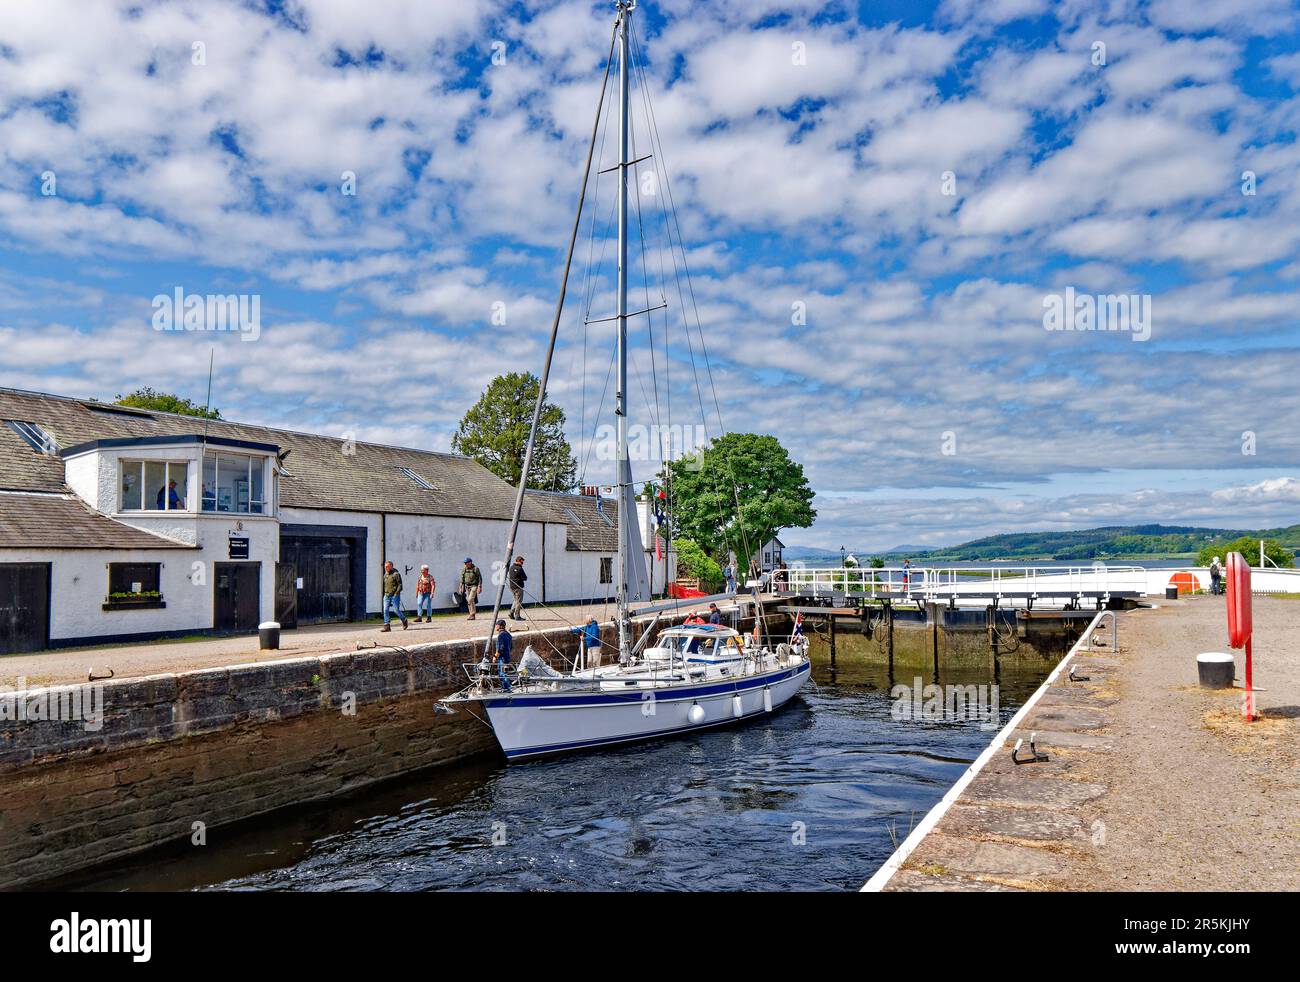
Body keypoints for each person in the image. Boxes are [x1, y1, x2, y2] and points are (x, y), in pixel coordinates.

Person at [380, 561, 408, 632]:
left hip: (395, 595)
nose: (386, 568)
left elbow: (400, 585)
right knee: (385, 610)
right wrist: (385, 593)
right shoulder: (385, 575)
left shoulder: (396, 574)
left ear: (391, 566)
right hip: (386, 595)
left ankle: (404, 620)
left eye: (387, 566)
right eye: (385, 566)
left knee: (396, 610)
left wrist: (396, 593)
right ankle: (387, 626)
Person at [495, 619, 513, 692]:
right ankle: (506, 688)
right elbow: (511, 647)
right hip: (507, 657)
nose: (495, 626)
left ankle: (506, 689)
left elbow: (500, 648)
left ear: (500, 626)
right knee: (505, 673)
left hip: (502, 658)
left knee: (502, 674)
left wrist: (495, 656)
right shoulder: (508, 635)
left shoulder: (500, 635)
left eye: (497, 625)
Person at [508, 556, 527, 621]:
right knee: (518, 602)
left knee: (515, 601)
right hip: (518, 587)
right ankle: (517, 616)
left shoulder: (511, 567)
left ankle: (511, 613)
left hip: (512, 587)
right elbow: (525, 578)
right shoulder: (519, 568)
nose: (522, 564)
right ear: (519, 561)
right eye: (522, 562)